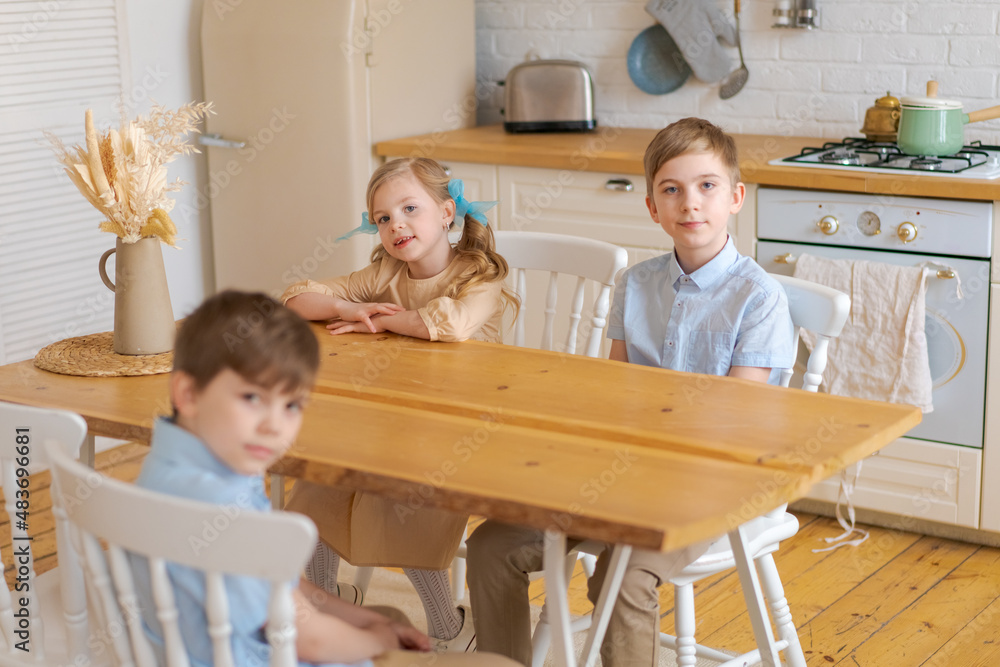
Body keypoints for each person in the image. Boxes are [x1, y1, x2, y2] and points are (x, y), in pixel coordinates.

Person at [466, 117, 795, 667]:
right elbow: (614, 389)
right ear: (653, 208)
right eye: (672, 189)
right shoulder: (635, 284)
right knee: (490, 546)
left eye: (707, 186)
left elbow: (739, 419)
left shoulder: (759, 299)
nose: (690, 203)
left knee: (621, 579)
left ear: (736, 197)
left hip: (714, 484)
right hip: (622, 471)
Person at [130, 290, 517, 667]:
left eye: (292, 405)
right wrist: (376, 640)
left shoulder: (167, 468)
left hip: (196, 650)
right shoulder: (226, 511)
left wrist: (370, 623)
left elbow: (278, 581)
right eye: (252, 398)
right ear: (188, 393)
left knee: (388, 615)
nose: (274, 426)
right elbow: (309, 639)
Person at [282, 157, 518, 648]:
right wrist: (350, 307)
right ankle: (325, 600)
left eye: (410, 208)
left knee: (403, 501)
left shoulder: (479, 274)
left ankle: (447, 626)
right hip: (397, 418)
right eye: (384, 218)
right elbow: (296, 298)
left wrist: (384, 321)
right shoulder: (386, 272)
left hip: (466, 425)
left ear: (447, 212)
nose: (396, 225)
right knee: (320, 479)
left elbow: (450, 324)